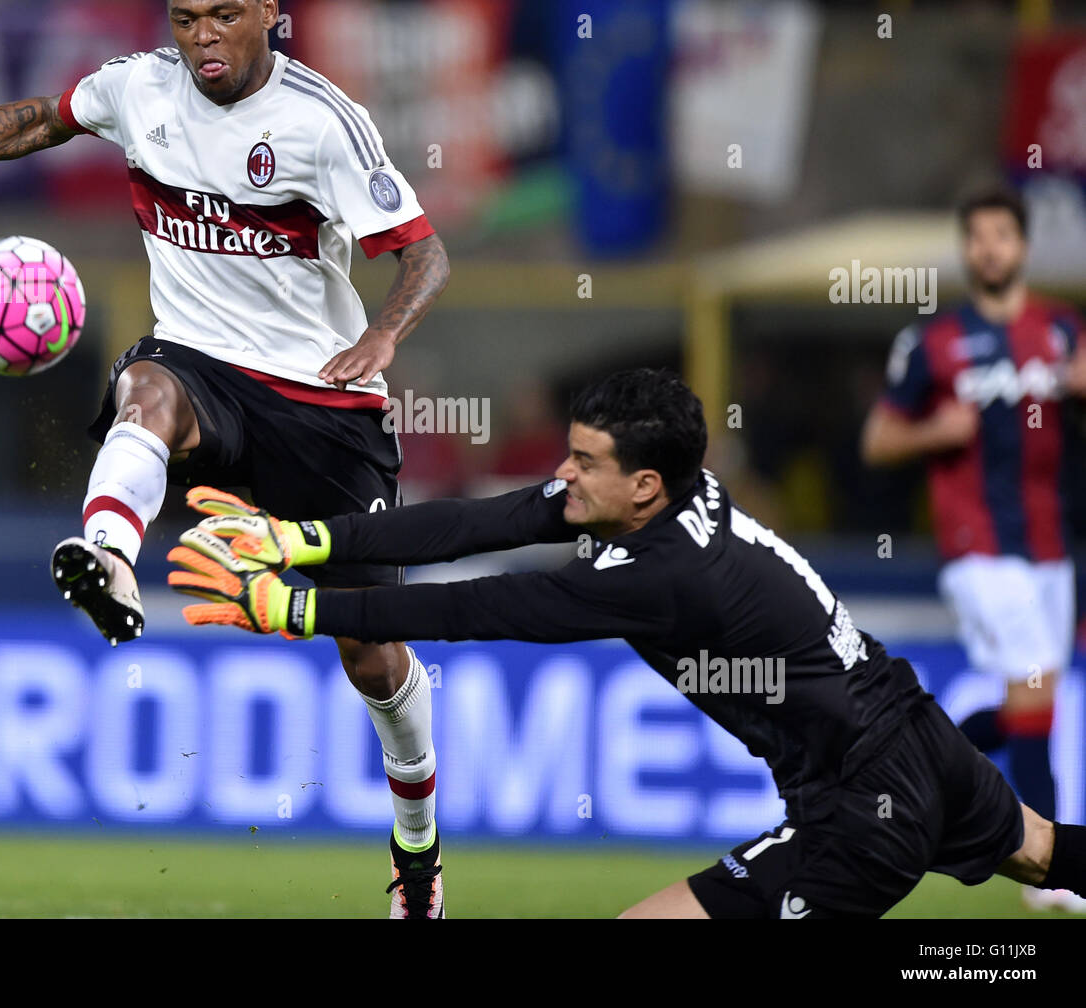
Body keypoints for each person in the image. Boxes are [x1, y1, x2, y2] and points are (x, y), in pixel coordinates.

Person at [0, 0, 450, 919]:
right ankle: (110, 555)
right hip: (204, 366)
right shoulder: (139, 88)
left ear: (269, 11)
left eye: (224, 17)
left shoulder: (323, 122)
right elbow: (35, 119)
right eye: (186, 20)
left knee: (370, 654)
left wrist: (381, 330)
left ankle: (417, 853)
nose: (203, 38)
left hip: (324, 403)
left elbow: (424, 254)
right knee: (144, 389)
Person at [164, 367, 1086, 918]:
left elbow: (483, 609)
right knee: (1045, 854)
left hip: (862, 801)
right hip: (911, 728)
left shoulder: (661, 576)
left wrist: (294, 612)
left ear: (644, 484)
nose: (561, 474)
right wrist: (306, 543)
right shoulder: (655, 503)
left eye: (584, 463)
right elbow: (472, 526)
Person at [861, 186, 1086, 912]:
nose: (989, 248)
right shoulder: (933, 344)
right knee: (1037, 696)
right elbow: (878, 439)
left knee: (1030, 707)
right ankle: (1051, 879)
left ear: (1021, 246)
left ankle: (906, 769)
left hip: (1050, 545)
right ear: (967, 250)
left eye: (1001, 235)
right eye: (977, 237)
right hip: (976, 546)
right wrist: (936, 431)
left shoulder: (1060, 331)